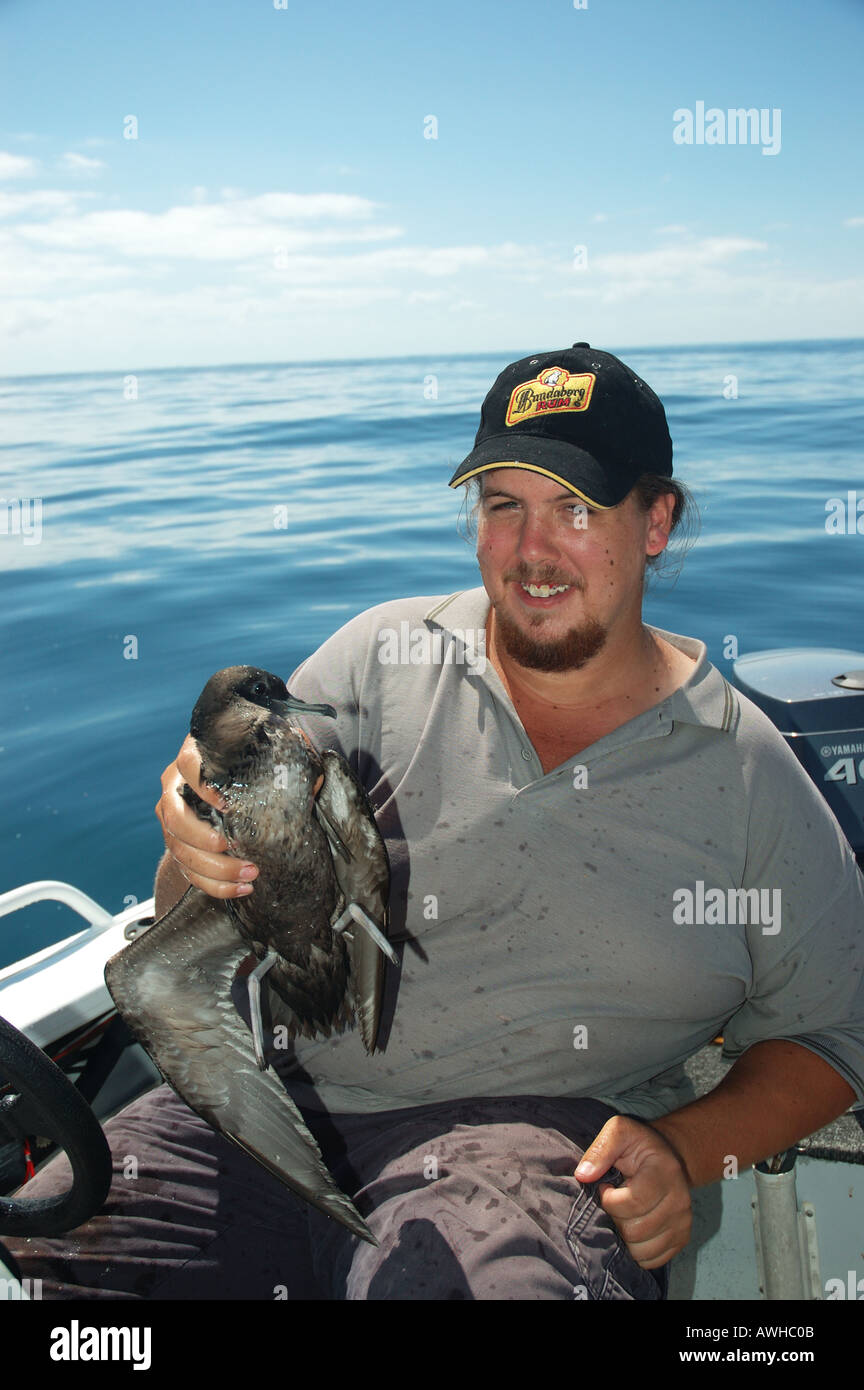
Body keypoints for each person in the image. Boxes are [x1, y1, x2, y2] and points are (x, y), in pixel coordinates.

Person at [5, 343, 864, 1302]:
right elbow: (199, 916)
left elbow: (838, 1035)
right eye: (505, 506)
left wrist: (686, 1149)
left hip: (535, 1152)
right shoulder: (377, 658)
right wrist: (192, 848)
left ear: (656, 520)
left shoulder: (747, 770)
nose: (534, 550)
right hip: (267, 1114)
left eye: (576, 508)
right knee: (53, 1266)